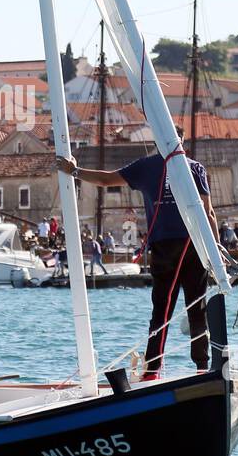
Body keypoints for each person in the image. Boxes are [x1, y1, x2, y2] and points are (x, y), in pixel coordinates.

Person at [58, 141, 219, 378]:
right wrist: (217, 252)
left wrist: (74, 171)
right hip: (192, 245)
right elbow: (208, 212)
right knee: (196, 308)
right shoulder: (194, 168)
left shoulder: (147, 167)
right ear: (181, 142)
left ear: (157, 140)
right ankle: (202, 368)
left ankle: (153, 370)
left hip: (164, 247)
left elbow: (106, 180)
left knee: (161, 310)